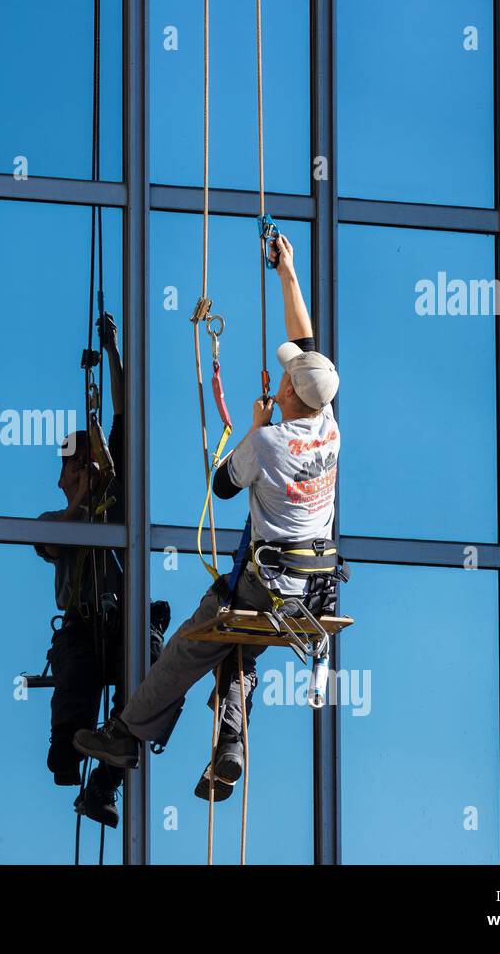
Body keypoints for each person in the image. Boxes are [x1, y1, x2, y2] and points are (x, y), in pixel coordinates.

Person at [74, 234, 344, 802]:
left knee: (193, 643)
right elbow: (307, 341)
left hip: (264, 585)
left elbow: (222, 485)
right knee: (236, 649)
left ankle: (125, 735)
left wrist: (254, 425)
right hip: (310, 590)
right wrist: (287, 273)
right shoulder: (328, 427)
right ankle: (228, 745)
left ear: (289, 396)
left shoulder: (269, 442)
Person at [36, 313, 172, 828]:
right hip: (82, 627)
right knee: (69, 728)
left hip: (123, 622)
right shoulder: (56, 519)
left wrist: (112, 351)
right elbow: (51, 541)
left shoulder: (115, 497)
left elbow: (126, 411)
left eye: (83, 463)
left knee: (151, 685)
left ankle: (104, 785)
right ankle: (75, 763)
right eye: (72, 466)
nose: (75, 472)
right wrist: (86, 498)